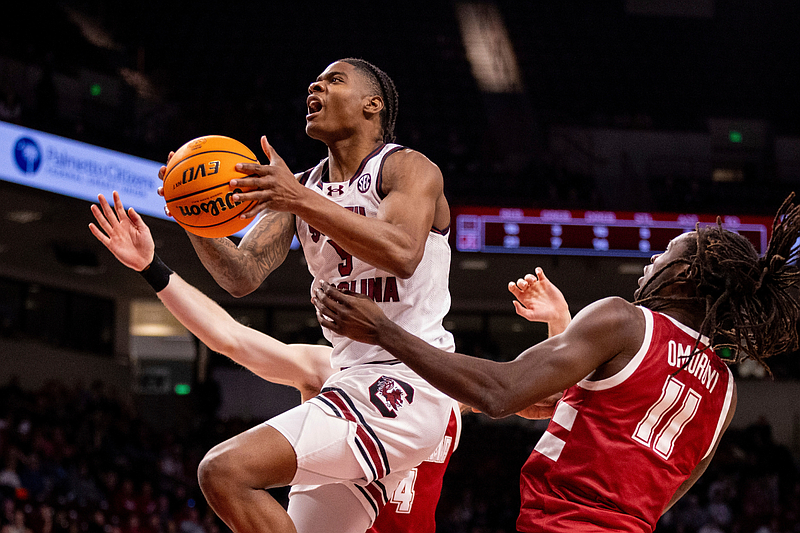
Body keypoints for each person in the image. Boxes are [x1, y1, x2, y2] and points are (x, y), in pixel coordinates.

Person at [312, 195, 800, 532]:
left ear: (687, 276)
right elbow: (651, 480)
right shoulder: (726, 391)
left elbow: (500, 392)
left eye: (664, 252)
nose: (652, 260)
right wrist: (562, 323)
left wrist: (386, 332)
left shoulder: (625, 321)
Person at [88, 191, 468, 533]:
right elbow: (230, 337)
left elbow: (524, 399)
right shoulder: (334, 368)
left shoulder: (447, 386)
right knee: (224, 470)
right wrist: (151, 267)